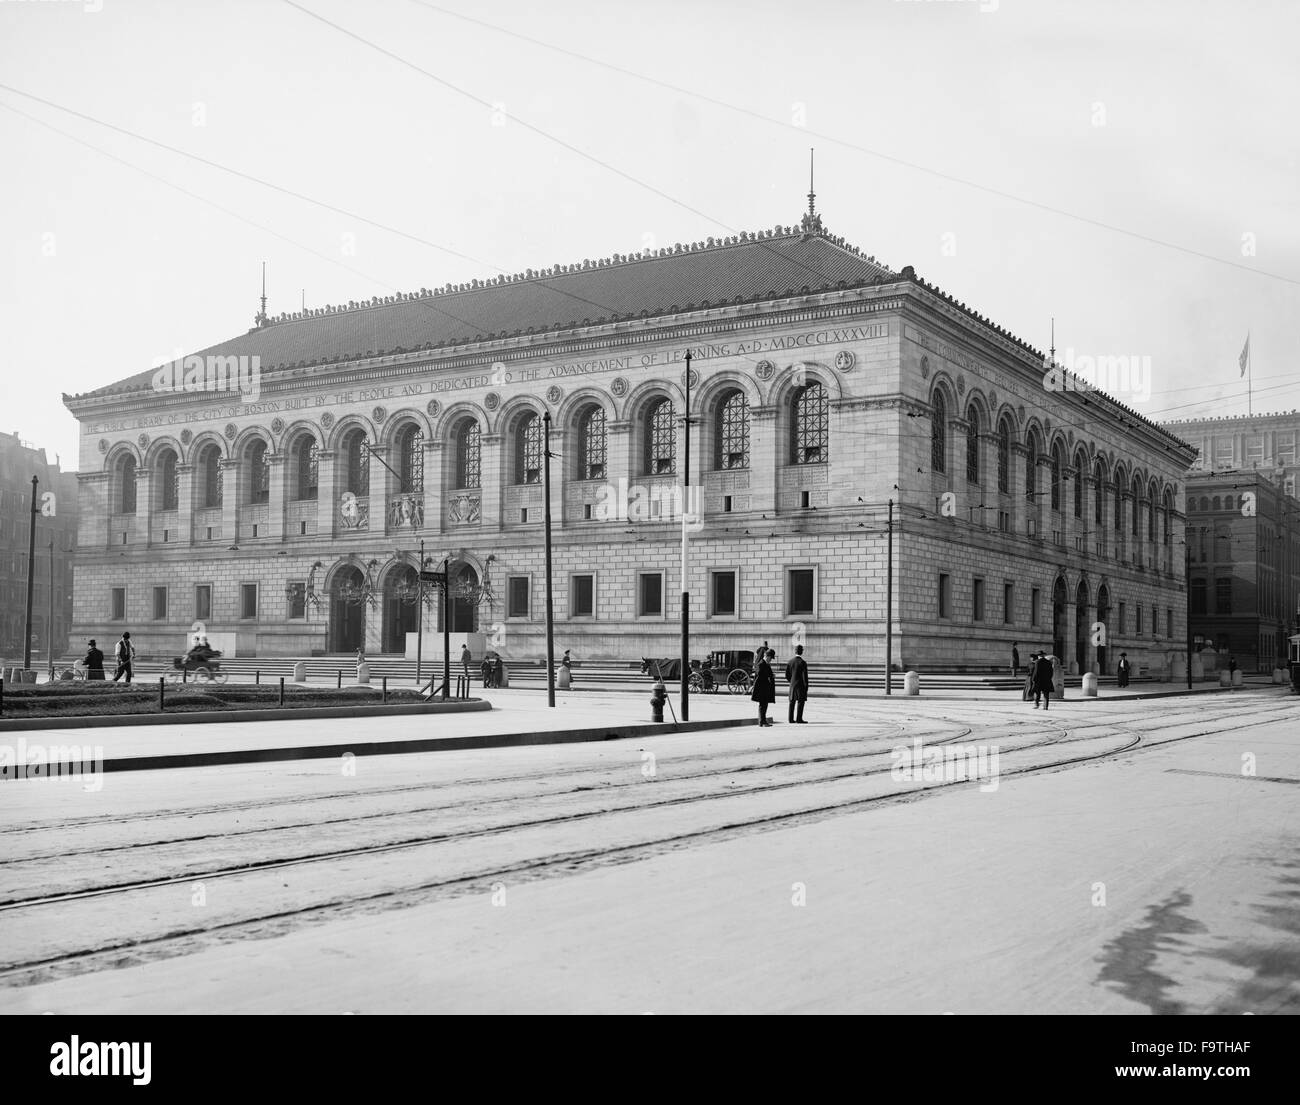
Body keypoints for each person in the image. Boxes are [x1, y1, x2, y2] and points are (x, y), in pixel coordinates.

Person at [751, 648, 776, 726]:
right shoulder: (761, 664)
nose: (771, 660)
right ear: (767, 656)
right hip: (762, 689)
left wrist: (771, 676)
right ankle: (762, 721)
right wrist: (769, 677)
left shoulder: (765, 664)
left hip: (765, 689)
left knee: (764, 705)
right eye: (771, 658)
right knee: (762, 705)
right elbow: (760, 676)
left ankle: (763, 721)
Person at [785, 644, 809, 723]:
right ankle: (799, 719)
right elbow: (804, 676)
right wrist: (806, 686)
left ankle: (790, 719)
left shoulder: (790, 662)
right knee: (800, 702)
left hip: (792, 685)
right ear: (801, 651)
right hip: (801, 685)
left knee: (792, 702)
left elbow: (787, 675)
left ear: (795, 651)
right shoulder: (803, 663)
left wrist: (791, 681)